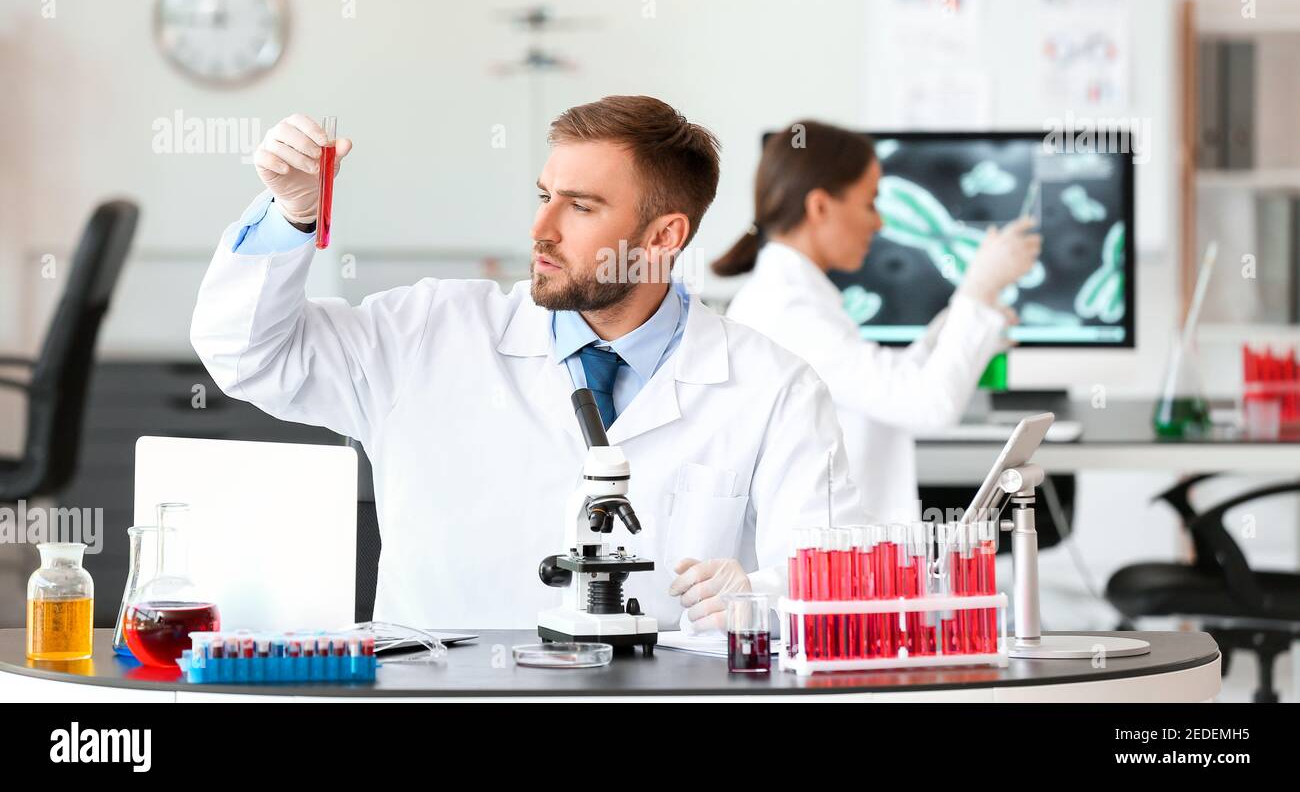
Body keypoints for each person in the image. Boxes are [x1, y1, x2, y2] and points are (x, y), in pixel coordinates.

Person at [190, 99, 862, 631]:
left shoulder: (773, 389)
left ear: (664, 237)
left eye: (582, 206)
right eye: (545, 195)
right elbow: (247, 355)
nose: (543, 227)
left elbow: (829, 578)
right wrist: (292, 214)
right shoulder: (427, 333)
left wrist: (760, 597)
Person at [716, 121, 1040, 523]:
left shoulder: (794, 296)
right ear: (820, 207)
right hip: (821, 557)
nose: (880, 223)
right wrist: (977, 290)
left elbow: (892, 378)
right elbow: (927, 404)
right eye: (870, 203)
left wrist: (971, 309)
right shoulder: (786, 309)